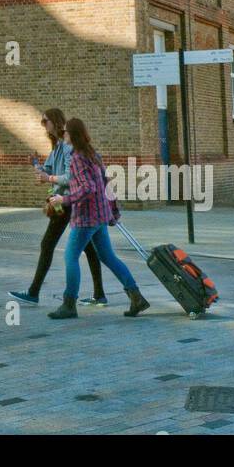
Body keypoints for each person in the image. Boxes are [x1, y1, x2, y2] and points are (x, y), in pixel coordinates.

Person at [47, 117, 150, 320]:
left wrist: (63, 199)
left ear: (73, 135)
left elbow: (88, 188)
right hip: (101, 215)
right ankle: (136, 297)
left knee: (70, 257)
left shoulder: (77, 158)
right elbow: (106, 183)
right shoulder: (93, 154)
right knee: (108, 256)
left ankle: (69, 304)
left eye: (65, 132)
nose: (63, 135)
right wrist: (114, 212)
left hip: (86, 218)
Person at [10, 109, 107, 307]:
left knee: (48, 245)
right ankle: (99, 294)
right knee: (90, 248)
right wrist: (37, 167)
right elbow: (49, 170)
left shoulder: (66, 146)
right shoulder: (56, 147)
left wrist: (50, 179)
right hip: (67, 201)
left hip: (67, 201)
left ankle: (34, 292)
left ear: (55, 122)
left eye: (45, 121)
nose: (42, 124)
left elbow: (71, 177)